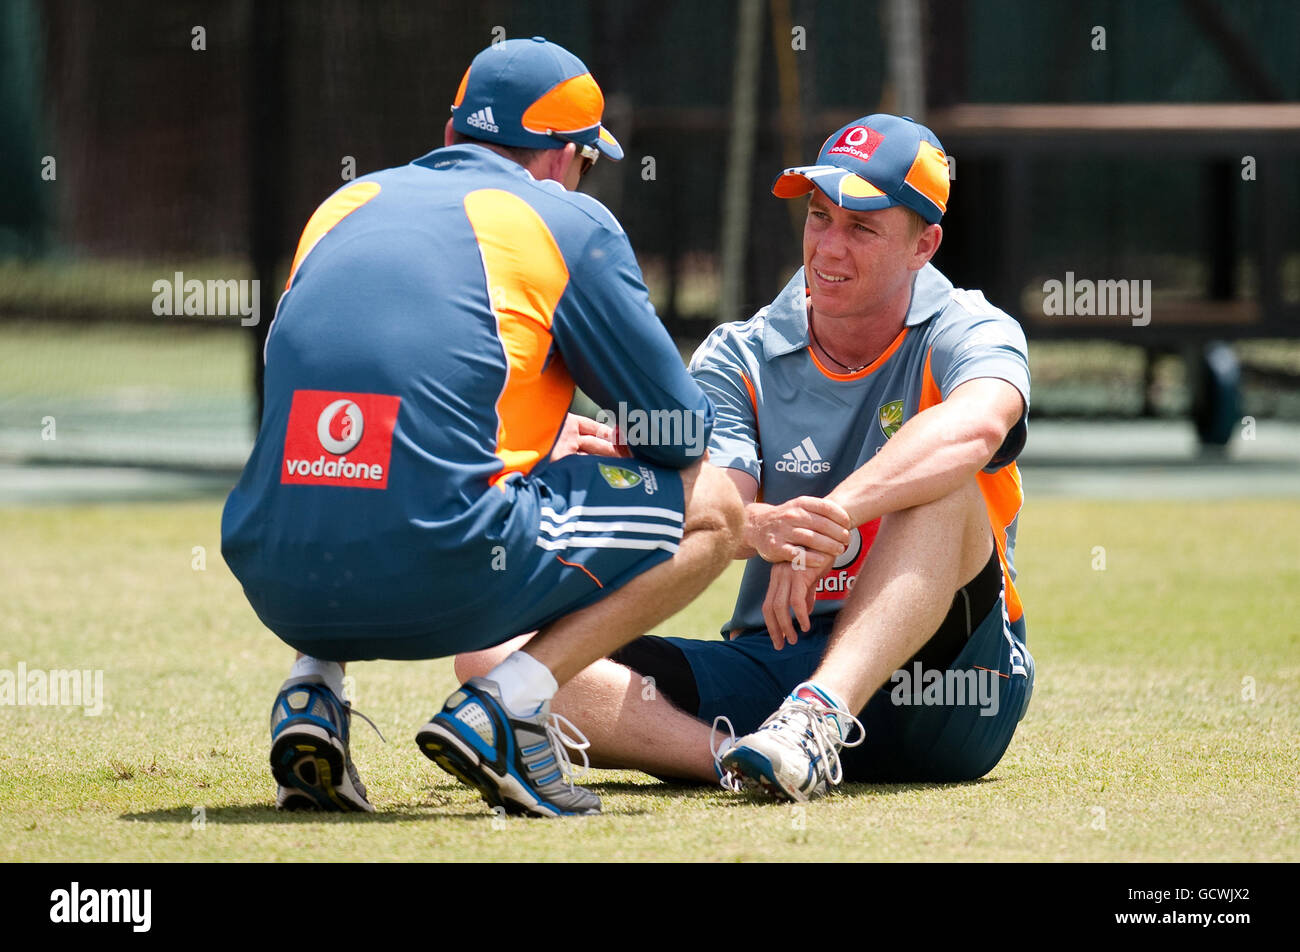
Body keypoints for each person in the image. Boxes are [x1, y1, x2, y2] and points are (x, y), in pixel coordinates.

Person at [220, 37, 744, 818]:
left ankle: (310, 691)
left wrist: (526, 435)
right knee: (717, 510)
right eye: (586, 165)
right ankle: (508, 706)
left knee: (355, 451)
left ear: (451, 136)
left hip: (273, 567)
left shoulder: (343, 205)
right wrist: (584, 434)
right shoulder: (566, 221)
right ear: (567, 156)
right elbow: (676, 433)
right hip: (442, 562)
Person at [456, 113, 1035, 801]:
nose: (828, 248)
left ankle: (820, 718)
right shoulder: (739, 353)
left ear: (924, 244)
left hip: (948, 690)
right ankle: (741, 761)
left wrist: (832, 517)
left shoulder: (970, 325)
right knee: (491, 658)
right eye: (820, 217)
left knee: (949, 487)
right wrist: (760, 528)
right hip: (771, 668)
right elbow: (716, 502)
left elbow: (975, 429)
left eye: (862, 228)